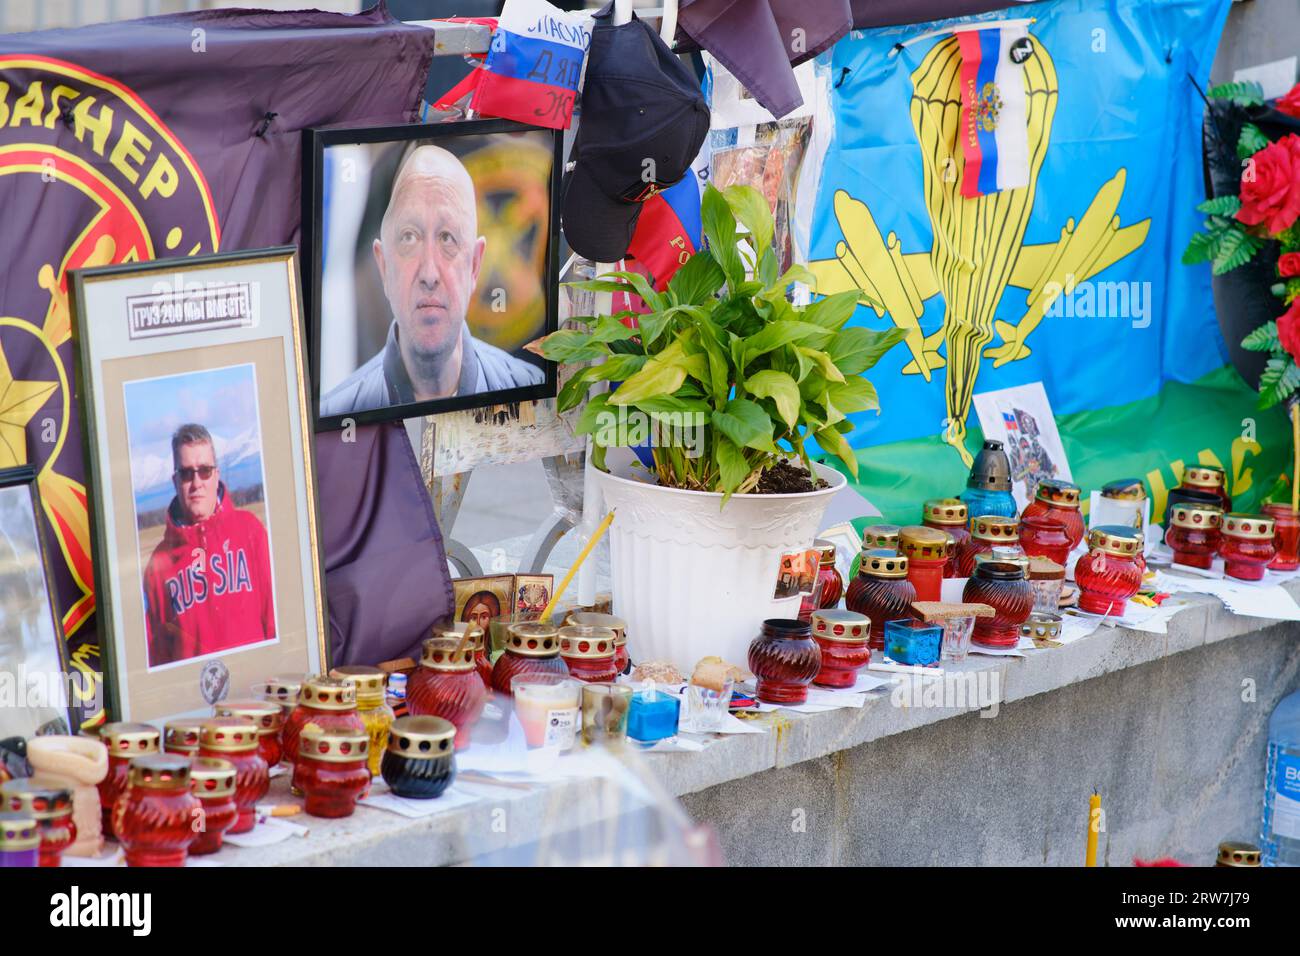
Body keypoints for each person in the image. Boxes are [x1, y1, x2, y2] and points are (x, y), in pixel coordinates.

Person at [321, 145, 543, 416]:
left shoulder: (534, 392)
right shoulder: (336, 414)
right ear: (383, 266)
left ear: (475, 265)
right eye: (409, 238)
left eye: (447, 237)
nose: (429, 274)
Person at [142, 423, 276, 667]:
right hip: (196, 697)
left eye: (204, 471)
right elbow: (158, 657)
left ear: (216, 475)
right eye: (186, 473)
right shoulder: (157, 567)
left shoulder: (250, 531)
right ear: (175, 481)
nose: (196, 483)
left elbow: (274, 620)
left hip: (254, 691)